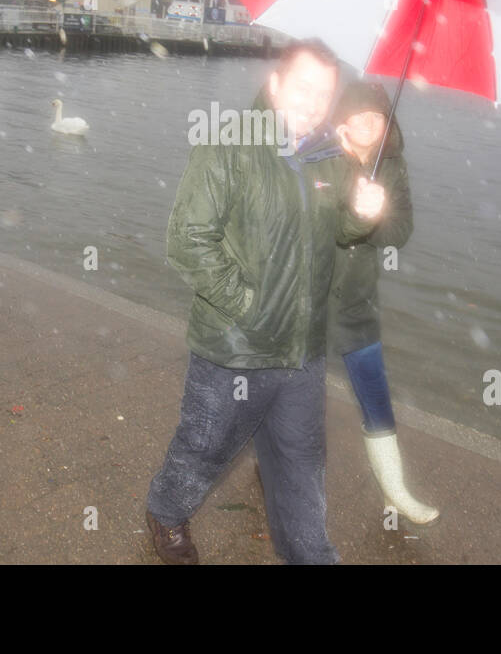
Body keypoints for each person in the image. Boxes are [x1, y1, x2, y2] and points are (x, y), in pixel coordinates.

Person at [146, 39, 385, 564]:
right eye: (302, 87)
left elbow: (339, 232)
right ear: (274, 84)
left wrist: (364, 212)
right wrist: (250, 306)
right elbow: (187, 240)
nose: (313, 102)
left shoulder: (328, 156)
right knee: (204, 448)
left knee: (302, 461)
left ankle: (311, 555)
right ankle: (165, 512)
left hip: (303, 350)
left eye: (325, 94)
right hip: (235, 348)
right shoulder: (229, 143)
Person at [329, 81, 438, 525]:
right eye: (357, 115)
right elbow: (318, 225)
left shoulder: (391, 164)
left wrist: (375, 214)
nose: (368, 125)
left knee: (375, 396)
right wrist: (351, 198)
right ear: (341, 119)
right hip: (307, 293)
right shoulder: (316, 156)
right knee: (283, 393)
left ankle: (397, 492)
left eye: (376, 116)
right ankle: (270, 461)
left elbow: (399, 232)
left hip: (357, 297)